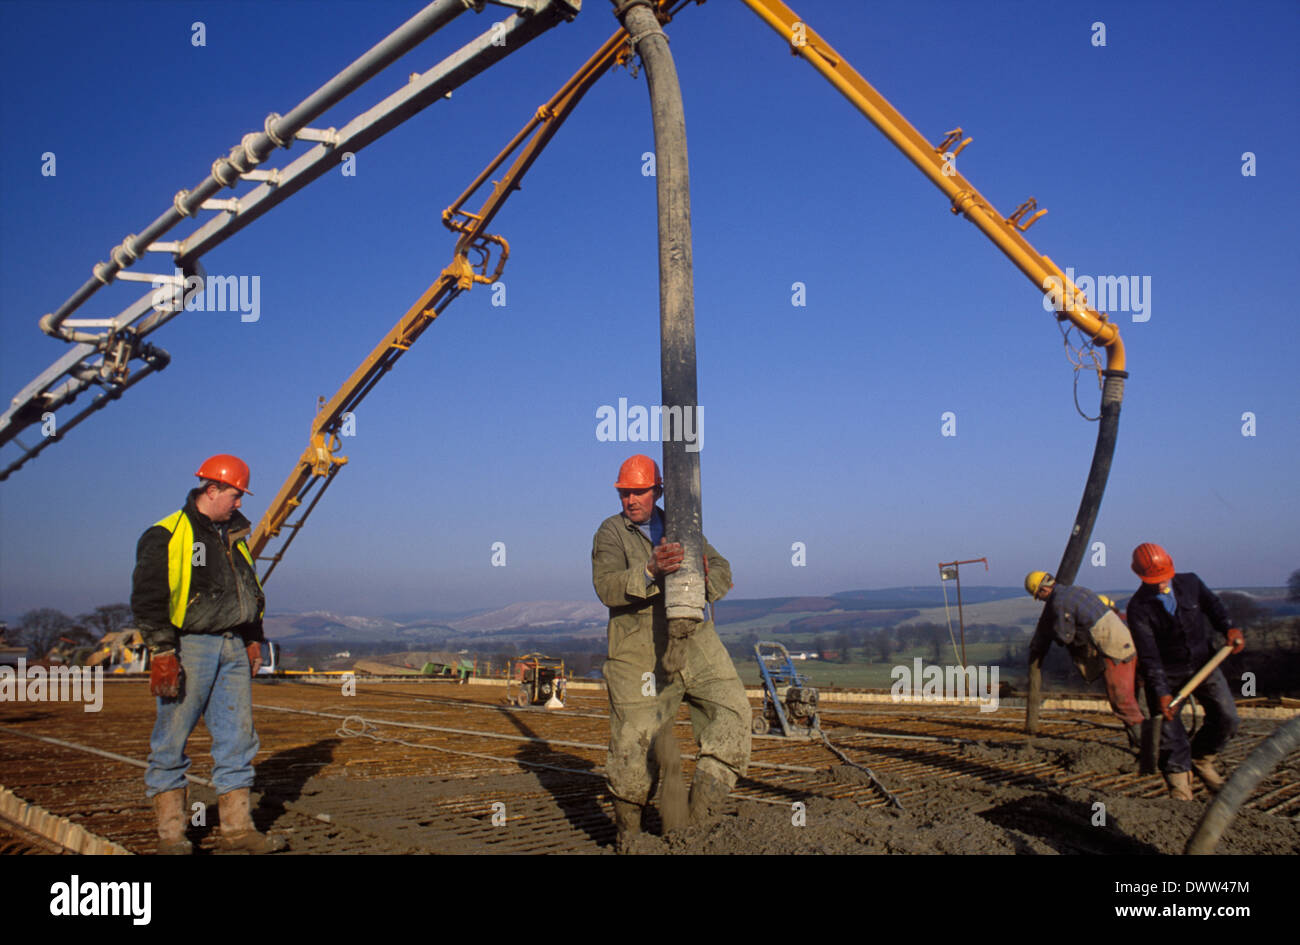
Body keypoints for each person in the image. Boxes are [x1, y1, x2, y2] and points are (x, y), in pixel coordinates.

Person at [591, 454, 750, 851]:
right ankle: (631, 837)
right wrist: (648, 570)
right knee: (633, 742)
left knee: (734, 713)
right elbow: (606, 587)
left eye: (639, 492)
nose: (631, 500)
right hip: (638, 648)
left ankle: (692, 828)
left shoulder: (681, 525)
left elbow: (723, 568)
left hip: (693, 639)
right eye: (625, 493)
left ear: (658, 490)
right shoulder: (611, 532)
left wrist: (703, 578)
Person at [131, 454, 285, 854]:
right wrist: (163, 651)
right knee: (171, 740)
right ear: (211, 489)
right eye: (235, 494)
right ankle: (171, 836)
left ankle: (238, 830)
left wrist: (253, 638)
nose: (240, 503)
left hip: (233, 646)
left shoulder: (234, 536)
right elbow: (148, 598)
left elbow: (248, 591)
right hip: (190, 647)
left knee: (238, 740)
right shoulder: (166, 534)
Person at [1125, 542, 1244, 800]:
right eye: (1153, 580)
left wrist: (1229, 628)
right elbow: (1149, 656)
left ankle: (1202, 758)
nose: (1160, 584)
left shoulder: (1190, 583)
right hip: (1166, 674)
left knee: (1228, 718)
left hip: (1204, 664)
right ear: (1140, 576)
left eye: (1163, 577)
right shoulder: (1138, 608)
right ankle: (1180, 789)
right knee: (1170, 733)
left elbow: (1214, 607)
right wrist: (1161, 692)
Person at [1025, 571, 1144, 747]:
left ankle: (1147, 748)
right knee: (1133, 698)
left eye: (1039, 597)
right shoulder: (1077, 591)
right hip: (1126, 641)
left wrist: (1050, 630)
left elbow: (1065, 636)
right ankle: (1141, 744)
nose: (1042, 601)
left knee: (1122, 701)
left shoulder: (1059, 602)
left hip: (1114, 649)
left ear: (1043, 590)